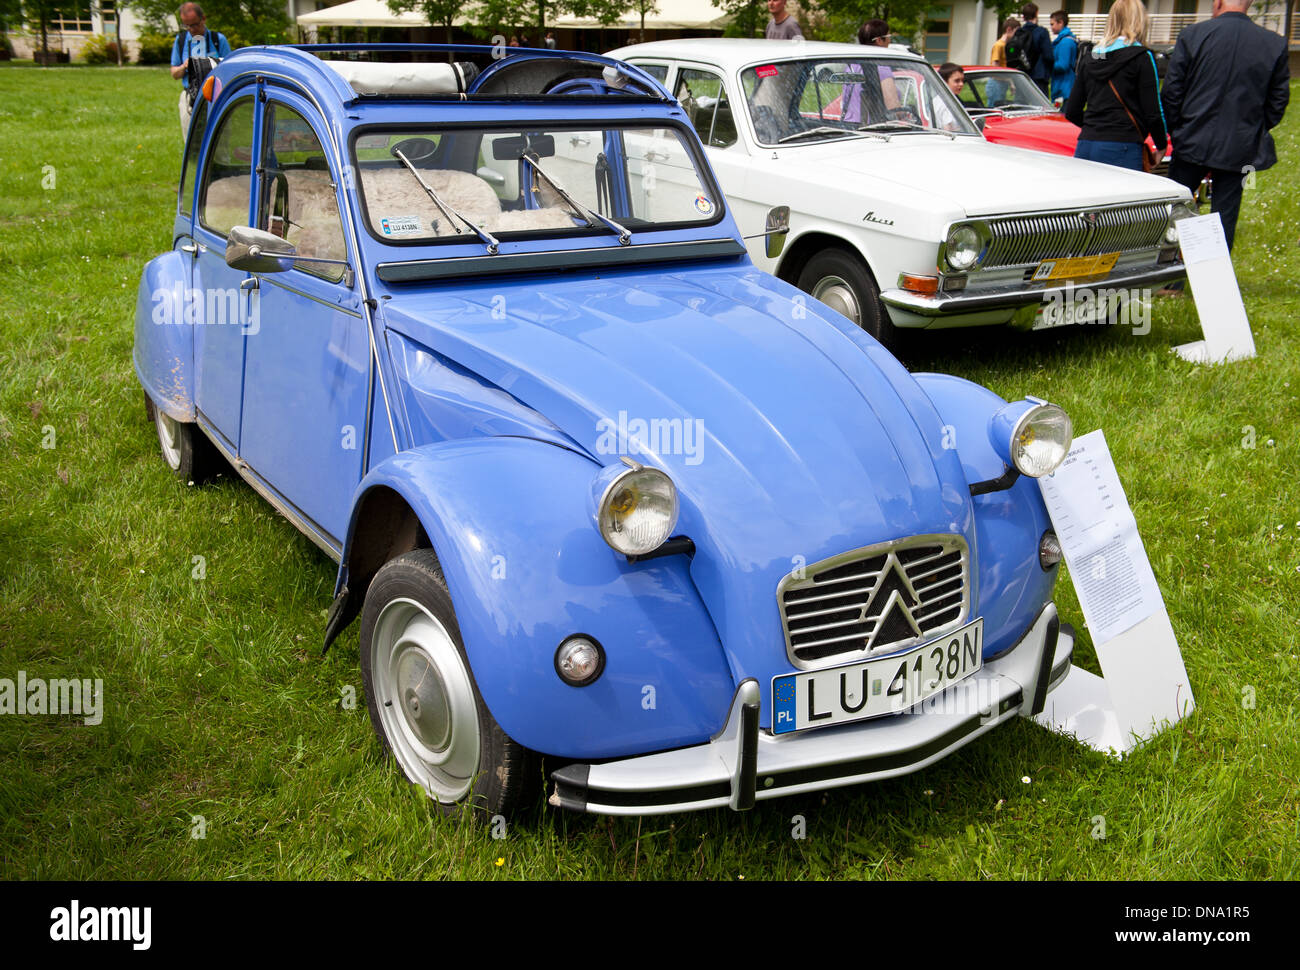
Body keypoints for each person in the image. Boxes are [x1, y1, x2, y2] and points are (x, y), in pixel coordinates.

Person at [1161, 0, 1289, 252]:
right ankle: (1214, 282)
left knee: (1177, 209)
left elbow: (1172, 91)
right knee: (1225, 215)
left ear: (1218, 2)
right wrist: (1253, 128)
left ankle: (1170, 280)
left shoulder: (1193, 35)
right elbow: (1277, 101)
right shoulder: (1272, 43)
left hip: (1193, 135)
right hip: (1238, 141)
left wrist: (1178, 129)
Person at [1063, 0, 1166, 172]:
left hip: (1086, 144)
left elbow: (1072, 111)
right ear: (1139, 20)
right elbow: (1154, 112)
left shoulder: (1092, 57)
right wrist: (1161, 145)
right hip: (1123, 145)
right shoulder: (1141, 57)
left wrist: (1096, 126)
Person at [170, 2, 231, 138]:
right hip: (190, 97)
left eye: (195, 24)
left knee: (219, 140)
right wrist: (185, 66)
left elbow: (229, 69)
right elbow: (174, 73)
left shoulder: (217, 40)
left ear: (203, 19)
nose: (191, 29)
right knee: (192, 142)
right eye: (187, 26)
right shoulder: (180, 41)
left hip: (216, 96)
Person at [840, 19, 901, 124]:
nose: (889, 41)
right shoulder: (881, 68)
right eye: (888, 37)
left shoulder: (852, 66)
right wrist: (905, 114)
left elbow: (845, 100)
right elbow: (893, 108)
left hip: (849, 127)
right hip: (871, 130)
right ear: (879, 41)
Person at [1010, 3, 1054, 97]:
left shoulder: (1019, 32)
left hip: (1022, 75)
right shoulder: (1042, 32)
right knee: (1042, 107)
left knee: (1021, 106)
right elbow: (1048, 56)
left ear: (1023, 16)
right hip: (1039, 76)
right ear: (1036, 13)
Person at [1050, 10, 1077, 102]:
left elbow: (1062, 65)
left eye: (1052, 24)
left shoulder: (1065, 42)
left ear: (1060, 22)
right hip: (1064, 87)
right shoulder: (1064, 40)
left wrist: (1047, 65)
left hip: (1064, 89)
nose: (1051, 27)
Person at [932, 63, 966, 130]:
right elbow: (948, 130)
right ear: (944, 82)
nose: (961, 84)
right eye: (957, 81)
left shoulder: (940, 99)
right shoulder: (946, 103)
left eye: (962, 80)